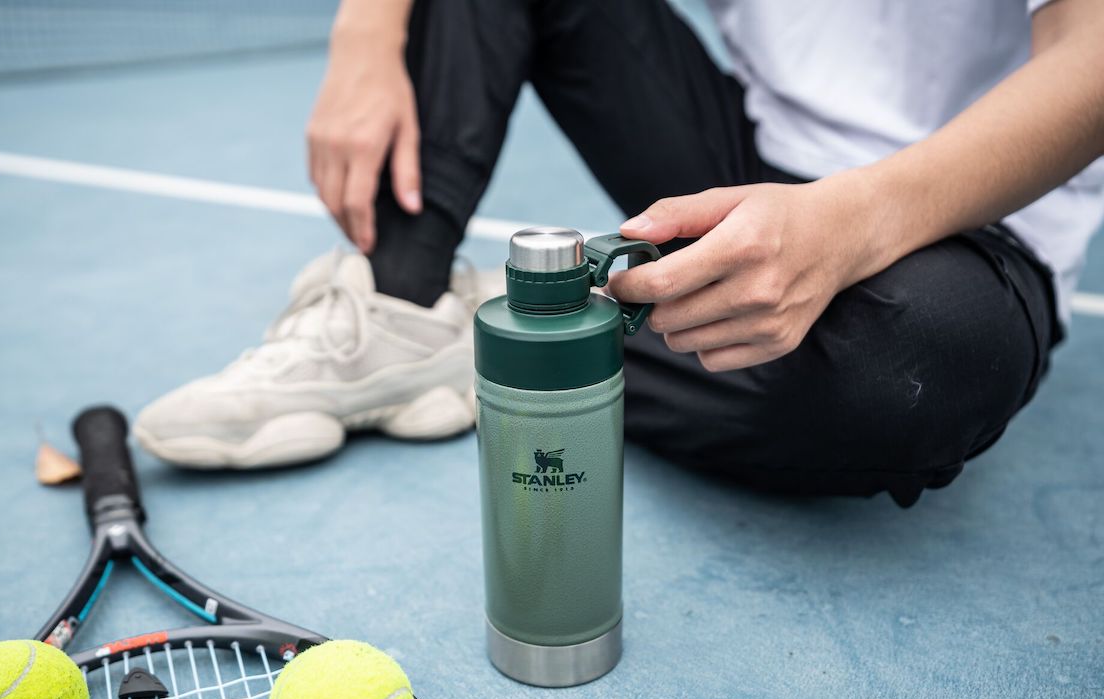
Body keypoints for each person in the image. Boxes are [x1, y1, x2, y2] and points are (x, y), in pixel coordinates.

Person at [135, 0, 1104, 506]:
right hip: (748, 151)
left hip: (974, 211)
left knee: (899, 380)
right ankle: (404, 306)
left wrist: (855, 219)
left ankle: (507, 343)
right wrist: (365, 31)